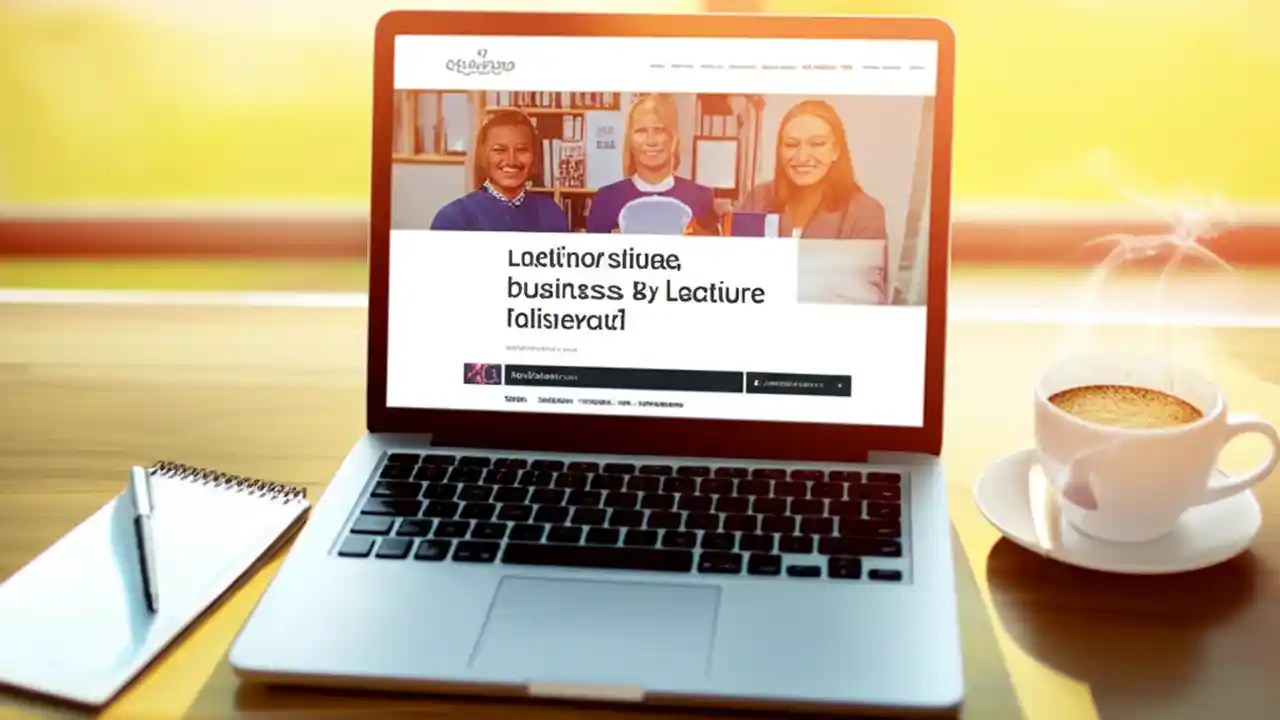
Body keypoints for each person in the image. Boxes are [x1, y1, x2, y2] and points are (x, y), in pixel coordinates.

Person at [736, 99, 885, 240]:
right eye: (791, 145)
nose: (802, 157)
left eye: (817, 144)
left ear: (836, 150)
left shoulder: (865, 212)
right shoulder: (758, 198)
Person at [585, 94, 717, 234]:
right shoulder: (606, 199)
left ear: (674, 139)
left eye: (659, 130)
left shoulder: (701, 197)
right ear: (630, 140)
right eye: (641, 131)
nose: (651, 141)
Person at [430, 110, 569, 232]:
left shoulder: (552, 213)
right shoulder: (453, 219)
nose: (511, 161)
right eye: (499, 150)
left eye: (522, 150)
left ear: (535, 155)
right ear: (483, 156)